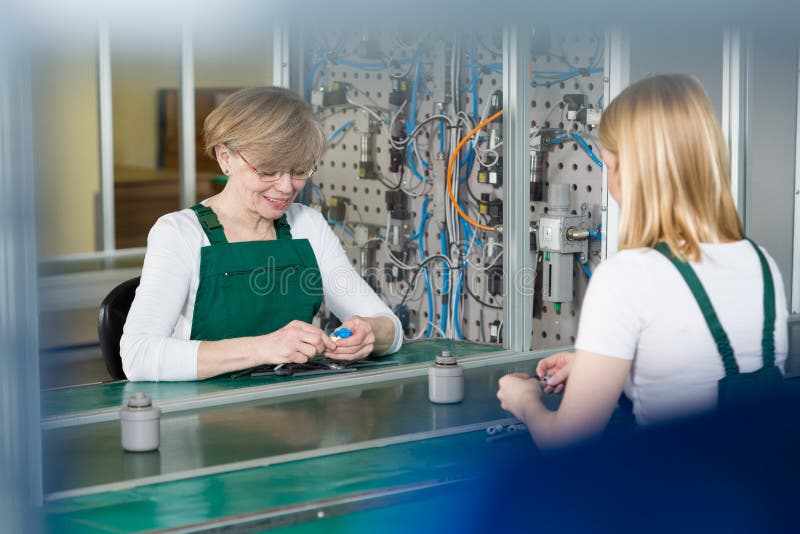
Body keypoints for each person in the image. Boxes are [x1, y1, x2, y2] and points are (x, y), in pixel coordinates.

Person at [497, 74, 789, 448]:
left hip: (670, 498)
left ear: (628, 169)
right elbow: (693, 370)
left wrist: (525, 403)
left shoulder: (627, 277)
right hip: (762, 496)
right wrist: (602, 367)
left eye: (607, 163)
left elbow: (567, 445)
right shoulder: (760, 263)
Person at [121, 87, 402, 381]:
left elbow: (389, 327)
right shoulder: (180, 234)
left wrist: (370, 334)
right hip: (206, 415)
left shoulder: (307, 225)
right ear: (225, 157)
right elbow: (138, 356)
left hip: (295, 414)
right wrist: (264, 348)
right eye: (267, 171)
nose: (285, 187)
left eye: (299, 170)